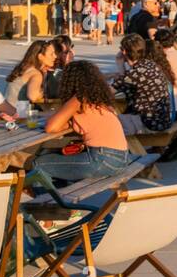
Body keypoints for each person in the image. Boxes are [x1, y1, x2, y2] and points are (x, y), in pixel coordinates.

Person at [28, 61, 131, 190]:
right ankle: (60, 202)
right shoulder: (99, 100)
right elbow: (69, 123)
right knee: (56, 160)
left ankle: (46, 205)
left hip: (102, 159)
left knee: (40, 164)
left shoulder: (80, 98)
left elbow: (51, 128)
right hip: (121, 159)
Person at [113, 33, 174, 134]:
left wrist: (119, 63)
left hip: (149, 123)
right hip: (162, 119)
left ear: (124, 51)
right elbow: (125, 82)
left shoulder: (136, 72)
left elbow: (107, 92)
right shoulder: (149, 64)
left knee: (109, 117)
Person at [6, 40, 55, 107]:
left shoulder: (24, 68)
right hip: (18, 114)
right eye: (51, 54)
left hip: (7, 112)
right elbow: (33, 97)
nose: (55, 56)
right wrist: (43, 91)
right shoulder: (35, 74)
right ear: (40, 56)